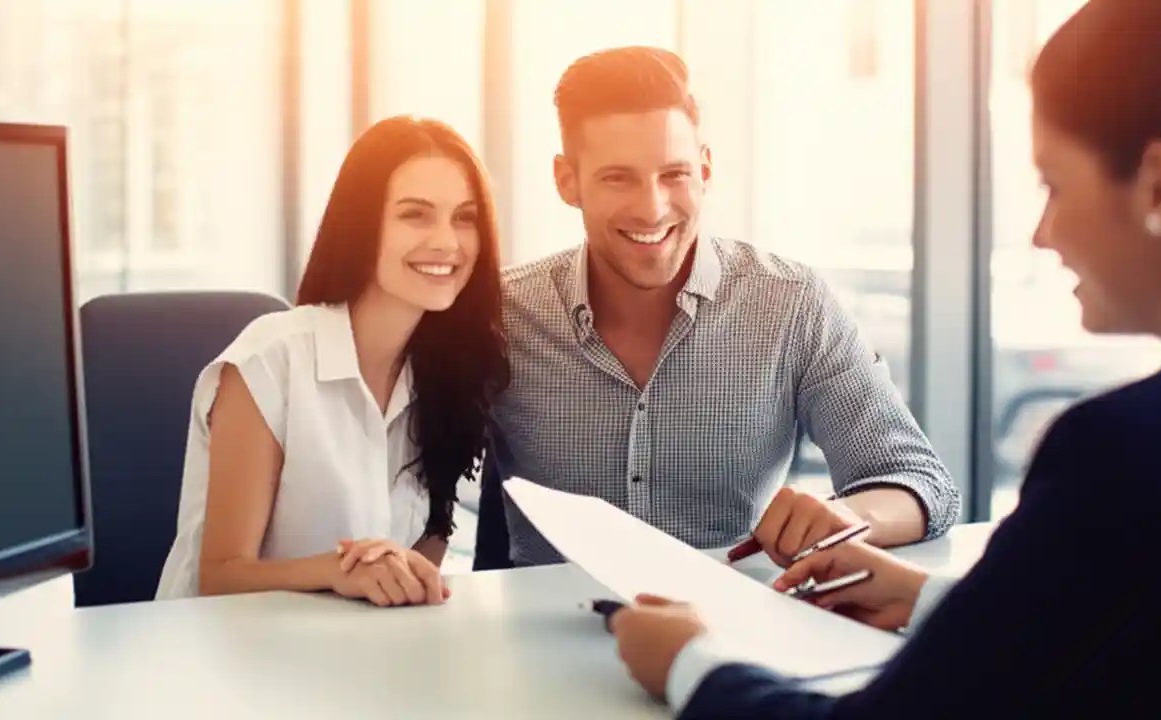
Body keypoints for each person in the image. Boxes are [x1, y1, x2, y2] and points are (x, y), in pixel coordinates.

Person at [609, 1, 1161, 716]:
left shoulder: (1122, 450)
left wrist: (690, 663)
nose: (1043, 235)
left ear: (1160, 189)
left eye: (1053, 185)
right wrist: (927, 598)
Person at [477, 46, 960, 570]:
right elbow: (412, 482)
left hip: (731, 635)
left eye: (674, 174)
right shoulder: (503, 315)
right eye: (619, 178)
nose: (653, 207)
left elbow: (920, 482)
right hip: (543, 639)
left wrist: (849, 519)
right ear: (566, 180)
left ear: (705, 169)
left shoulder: (789, 304)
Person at [156, 116, 509, 606]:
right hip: (227, 654)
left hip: (357, 657)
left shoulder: (446, 378)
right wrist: (344, 570)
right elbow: (221, 577)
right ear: (363, 223)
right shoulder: (271, 360)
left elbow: (422, 555)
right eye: (415, 215)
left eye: (464, 218)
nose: (447, 242)